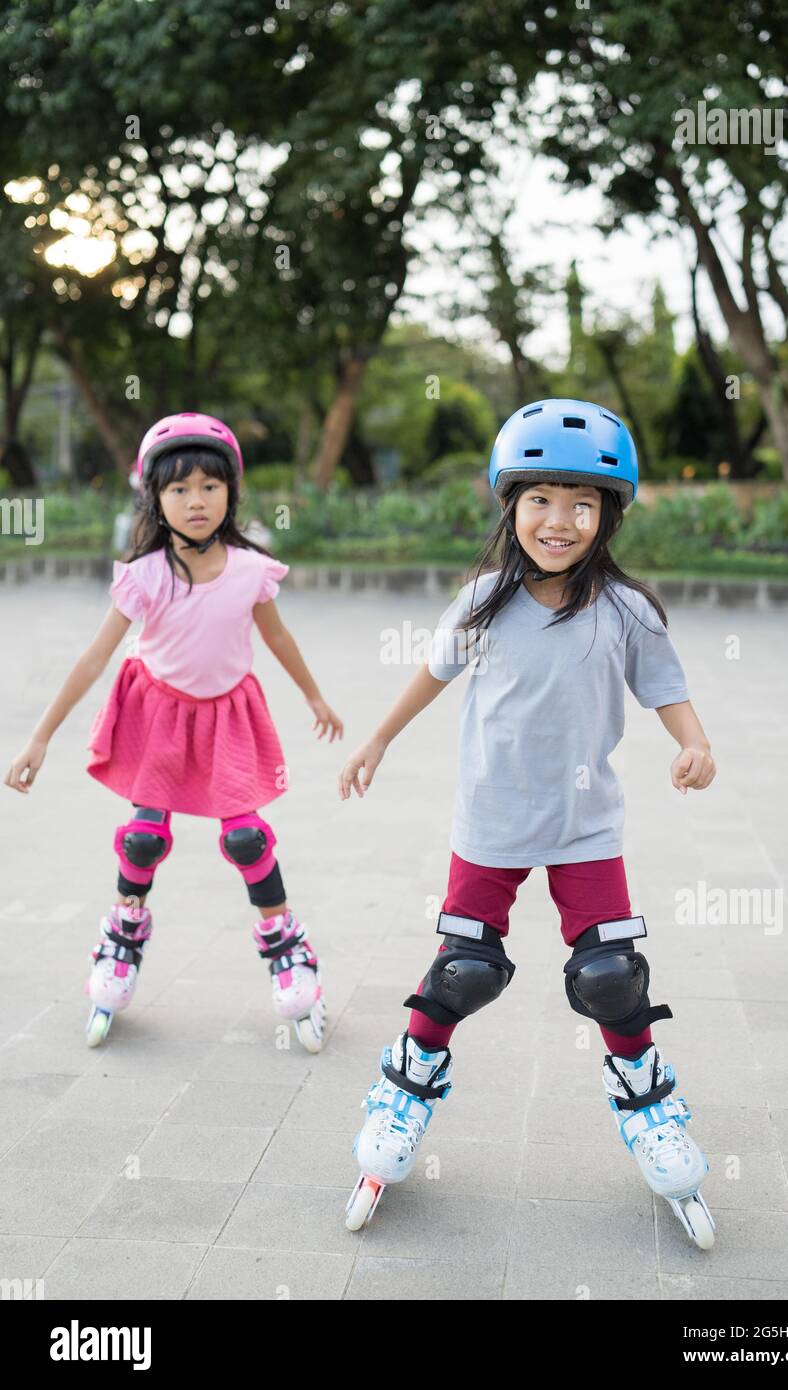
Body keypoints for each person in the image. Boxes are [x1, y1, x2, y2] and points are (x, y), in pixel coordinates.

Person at [338, 398, 718, 1246]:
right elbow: (429, 678)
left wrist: (695, 744)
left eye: (583, 502)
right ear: (510, 503)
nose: (560, 519)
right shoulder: (483, 601)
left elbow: (667, 691)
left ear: (608, 515)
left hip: (588, 829)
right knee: (461, 971)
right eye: (541, 498)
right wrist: (375, 742)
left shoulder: (628, 611)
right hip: (492, 825)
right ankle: (401, 1094)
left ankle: (652, 1111)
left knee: (613, 976)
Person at [5, 412, 342, 1053]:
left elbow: (276, 637)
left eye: (210, 487)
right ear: (155, 499)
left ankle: (288, 946)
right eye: (179, 489)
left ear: (230, 494)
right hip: (157, 713)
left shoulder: (249, 568)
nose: (196, 501)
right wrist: (40, 737)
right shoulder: (147, 574)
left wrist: (315, 696)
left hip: (226, 715)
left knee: (246, 837)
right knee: (142, 837)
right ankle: (123, 936)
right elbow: (95, 657)